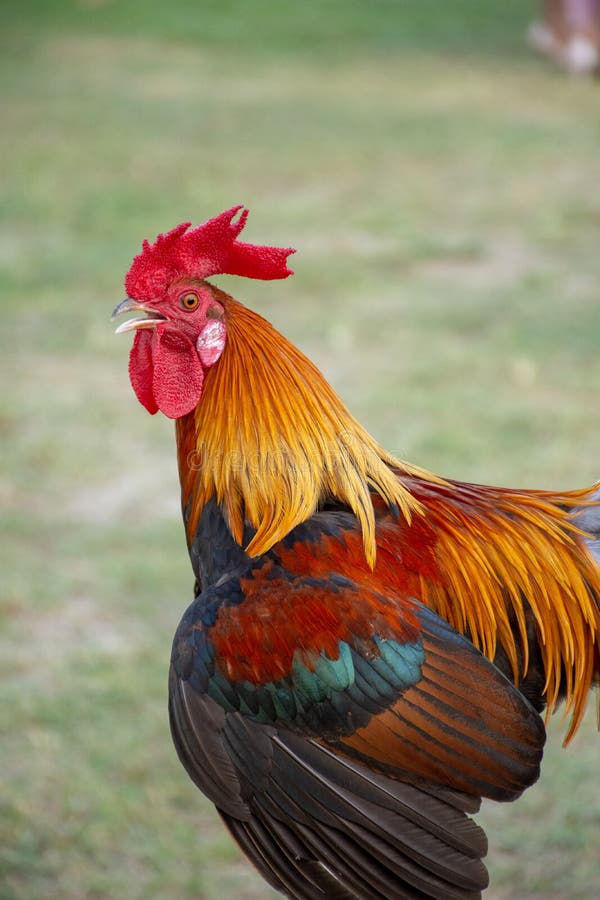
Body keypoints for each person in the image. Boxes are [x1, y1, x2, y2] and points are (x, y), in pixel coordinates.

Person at [529, 0, 600, 74]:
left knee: (583, 54)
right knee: (583, 55)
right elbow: (553, 14)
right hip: (574, 36)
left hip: (588, 36)